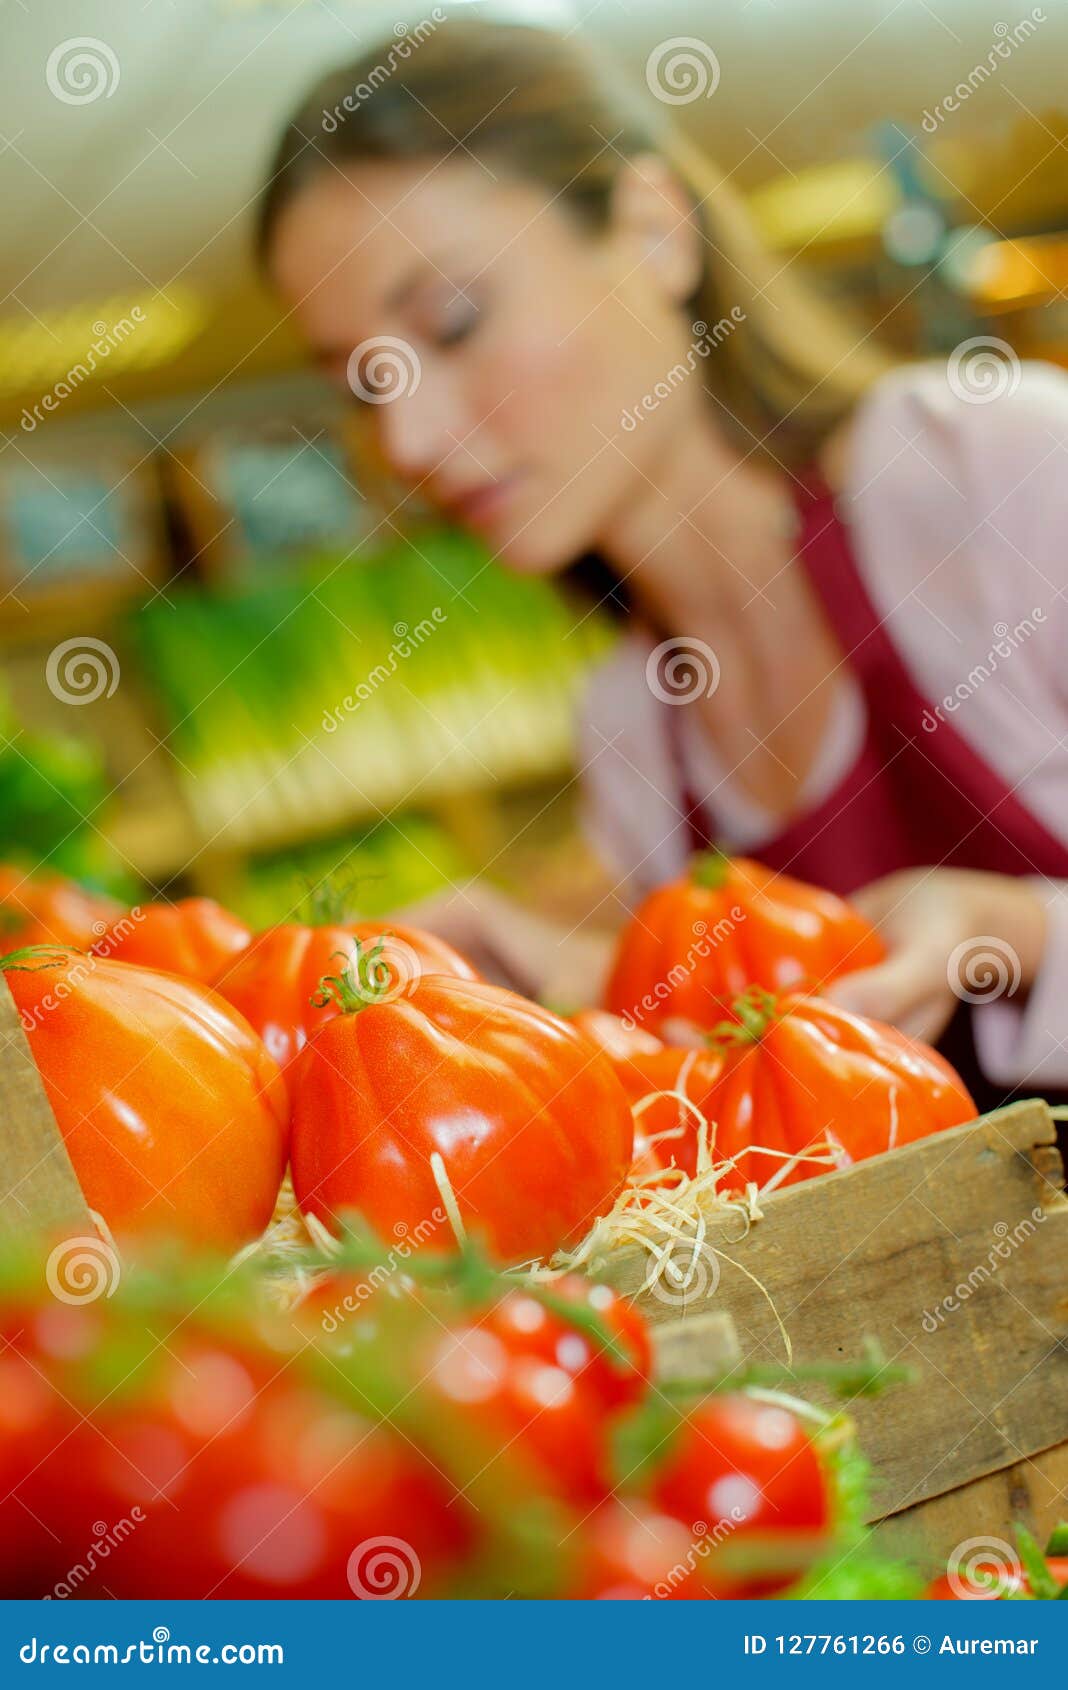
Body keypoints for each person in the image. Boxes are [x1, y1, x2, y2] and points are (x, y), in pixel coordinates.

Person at [258, 17, 1068, 1110]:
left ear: (653, 231)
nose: (404, 444)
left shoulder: (997, 470)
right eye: (361, 382)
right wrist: (582, 992)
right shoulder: (635, 735)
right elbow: (765, 1124)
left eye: (452, 321)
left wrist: (1018, 932)